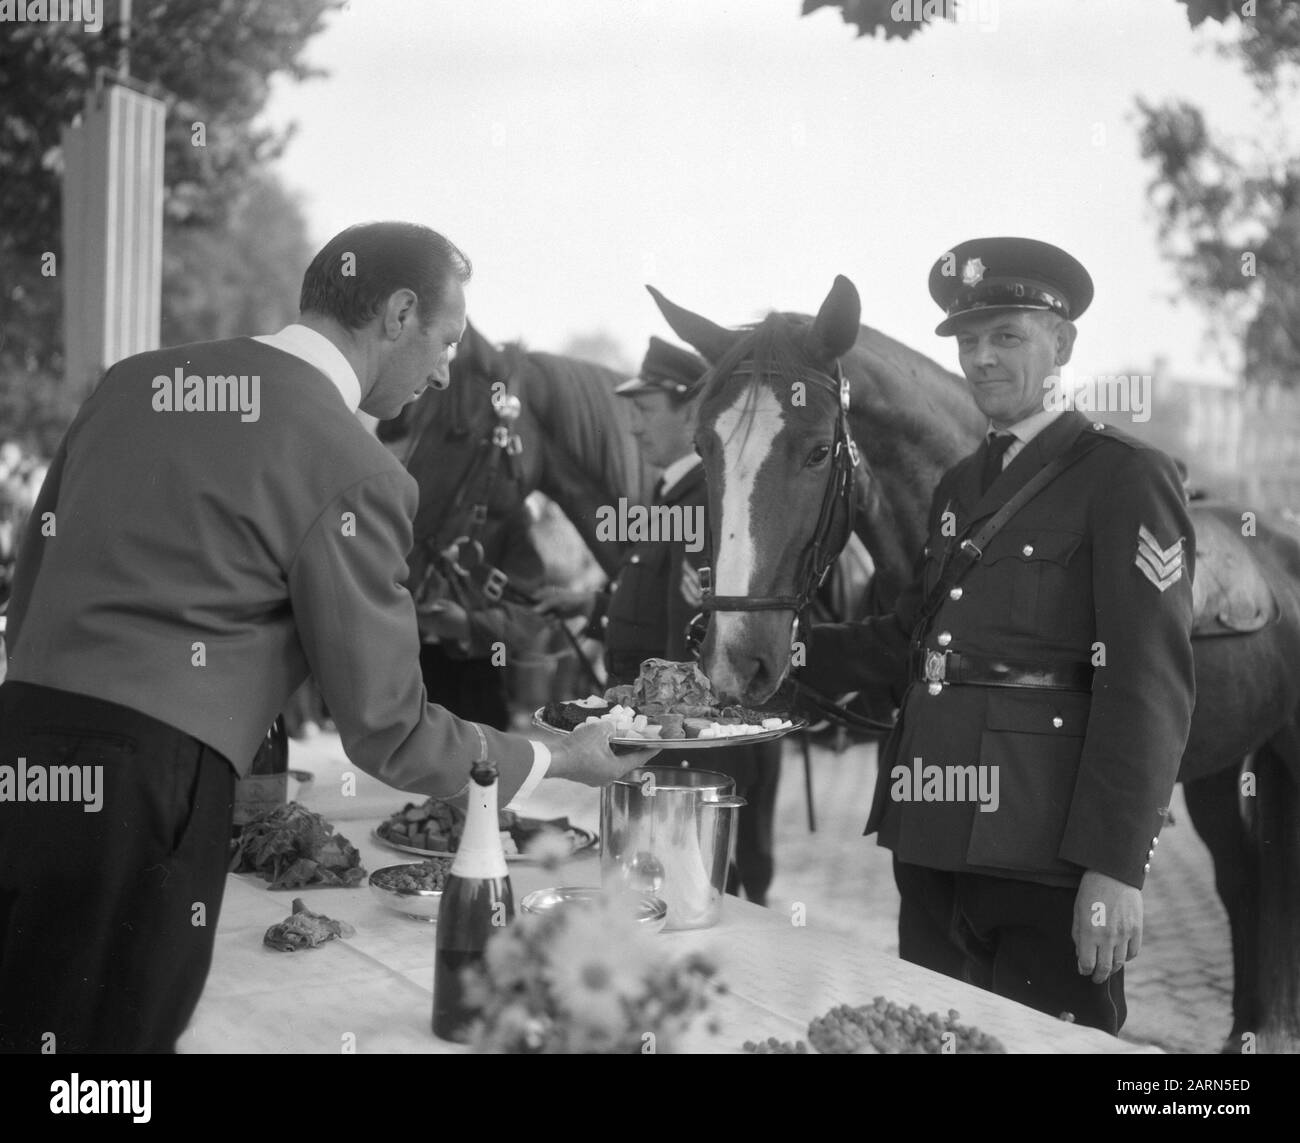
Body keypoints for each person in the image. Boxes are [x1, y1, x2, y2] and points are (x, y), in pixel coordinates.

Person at [0, 221, 652, 1053]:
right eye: (445, 342)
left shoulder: (132, 381)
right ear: (398, 313)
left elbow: (32, 579)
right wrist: (561, 757)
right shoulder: (357, 465)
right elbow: (389, 728)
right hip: (151, 783)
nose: (448, 370)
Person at [800, 237, 1196, 1033]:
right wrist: (786, 650)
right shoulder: (959, 483)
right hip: (932, 837)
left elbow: (1148, 685)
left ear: (1063, 345)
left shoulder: (1124, 477)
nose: (982, 358)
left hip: (1045, 851)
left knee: (1046, 1044)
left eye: (1006, 336)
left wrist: (1116, 866)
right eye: (969, 340)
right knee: (935, 1040)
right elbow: (908, 640)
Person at [536, 337, 782, 905]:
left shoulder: (702, 500)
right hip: (655, 748)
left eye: (645, 412)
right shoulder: (672, 495)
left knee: (694, 899)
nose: (634, 429)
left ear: (691, 410)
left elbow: (695, 652)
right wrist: (590, 608)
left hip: (683, 757)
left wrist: (672, 751)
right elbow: (650, 607)